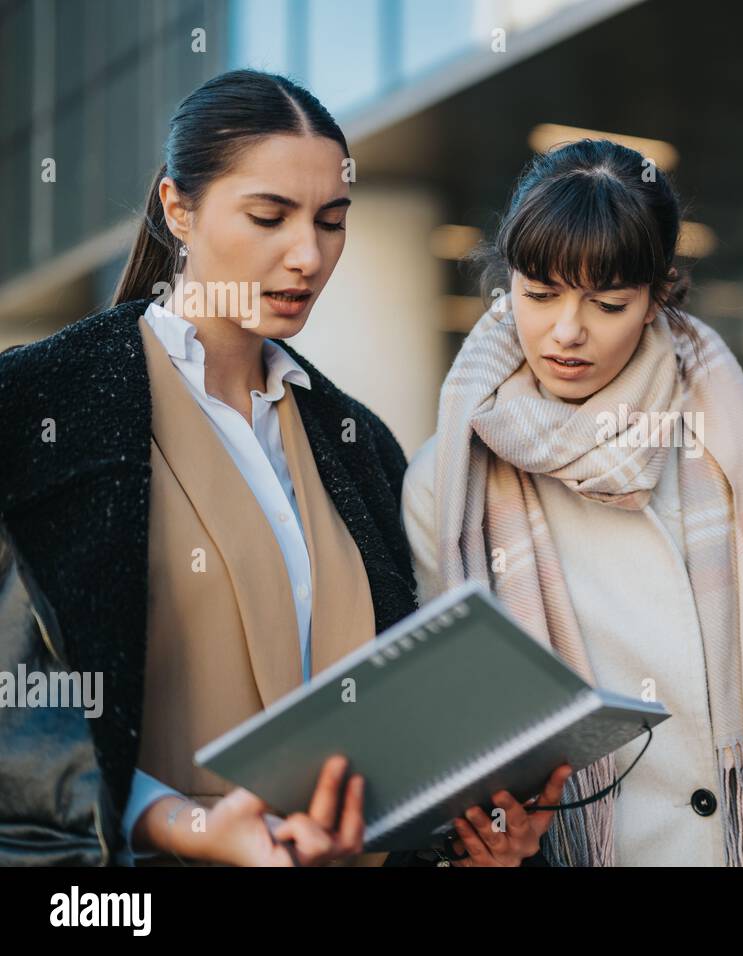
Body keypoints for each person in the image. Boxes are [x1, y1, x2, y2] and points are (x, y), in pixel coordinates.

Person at [0, 69, 563, 867]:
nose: (308, 255)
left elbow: (391, 730)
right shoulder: (39, 405)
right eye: (269, 216)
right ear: (177, 208)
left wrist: (471, 839)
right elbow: (20, 716)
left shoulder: (358, 443)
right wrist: (183, 825)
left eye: (332, 221)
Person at [402, 139, 743, 866]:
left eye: (608, 302)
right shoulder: (450, 475)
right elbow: (461, 728)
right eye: (540, 293)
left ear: (657, 296)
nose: (566, 332)